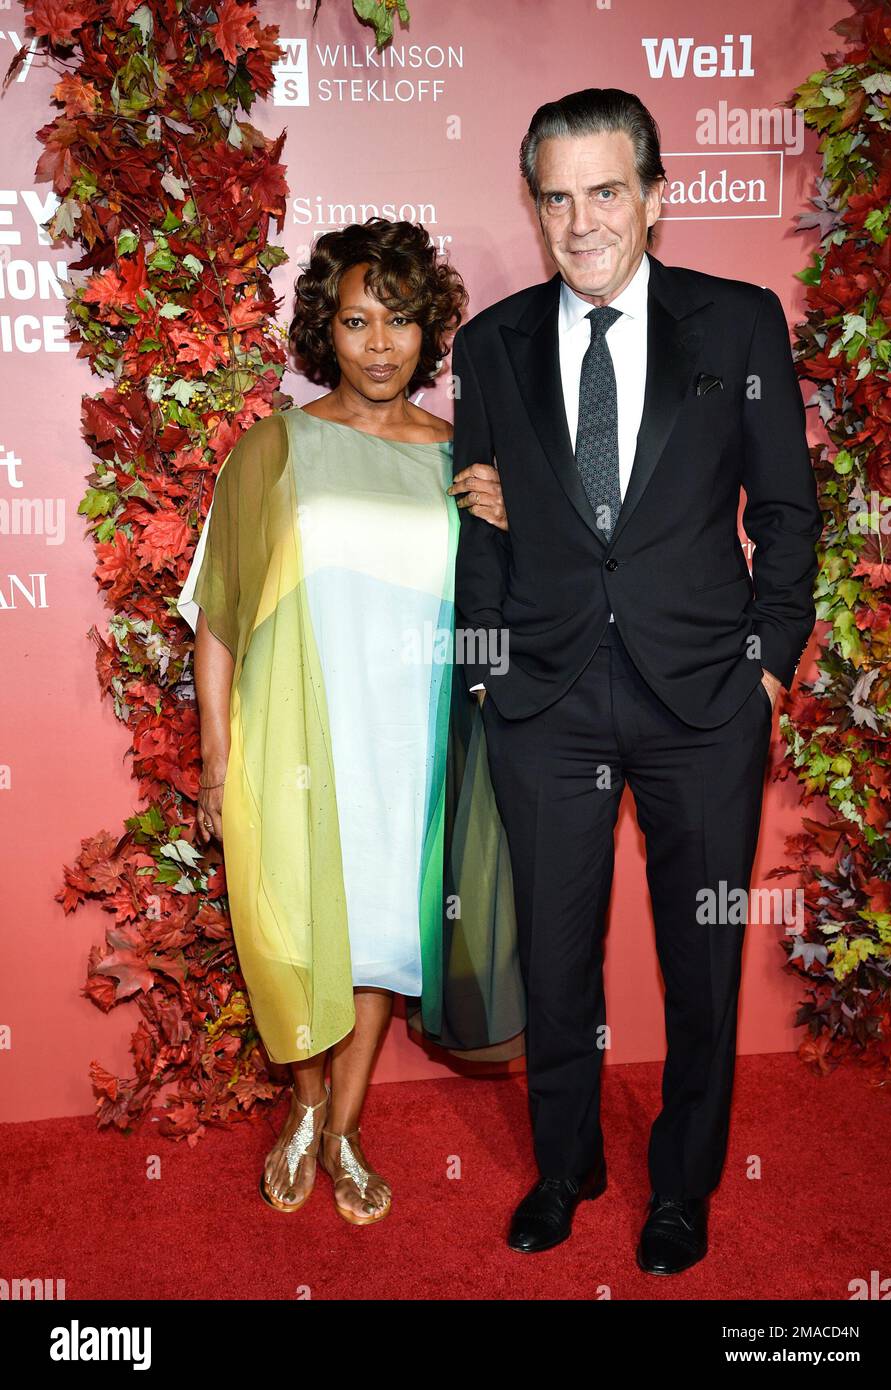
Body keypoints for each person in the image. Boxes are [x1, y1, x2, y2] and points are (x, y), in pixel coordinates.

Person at [452, 88, 822, 1269]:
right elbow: (480, 531)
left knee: (698, 959)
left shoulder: (738, 322)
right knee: (553, 956)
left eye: (605, 191)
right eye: (555, 197)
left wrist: (767, 664)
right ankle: (564, 1166)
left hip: (704, 702)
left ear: (654, 199)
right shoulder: (490, 345)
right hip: (545, 701)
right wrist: (479, 675)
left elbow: (786, 512)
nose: (580, 223)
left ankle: (682, 1185)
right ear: (535, 205)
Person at [177, 218, 513, 1224]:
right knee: (293, 935)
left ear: (428, 330)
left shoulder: (464, 460)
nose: (378, 344)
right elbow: (220, 619)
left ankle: (345, 1129)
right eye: (358, 320)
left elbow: (515, 610)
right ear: (327, 327)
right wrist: (214, 765)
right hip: (295, 746)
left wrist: (506, 521)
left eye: (400, 321)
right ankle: (305, 1107)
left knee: (380, 939)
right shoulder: (273, 450)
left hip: (411, 744)